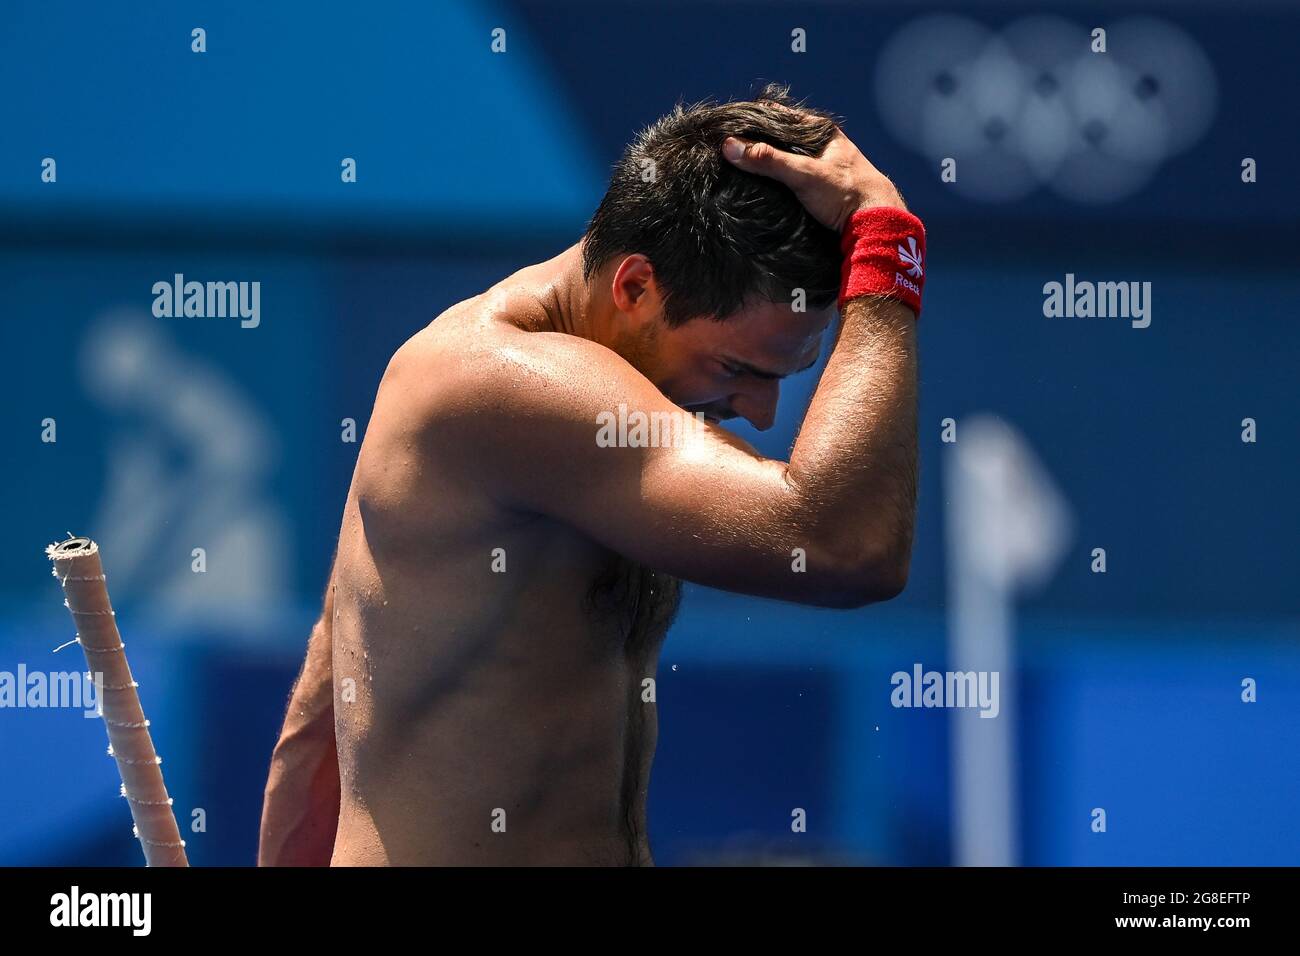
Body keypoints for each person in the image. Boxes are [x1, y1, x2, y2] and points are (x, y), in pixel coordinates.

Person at [258, 84, 922, 866]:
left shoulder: (586, 398)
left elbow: (328, 687)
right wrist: (889, 249)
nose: (761, 412)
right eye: (738, 368)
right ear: (635, 286)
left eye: (783, 375)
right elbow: (843, 544)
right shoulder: (498, 382)